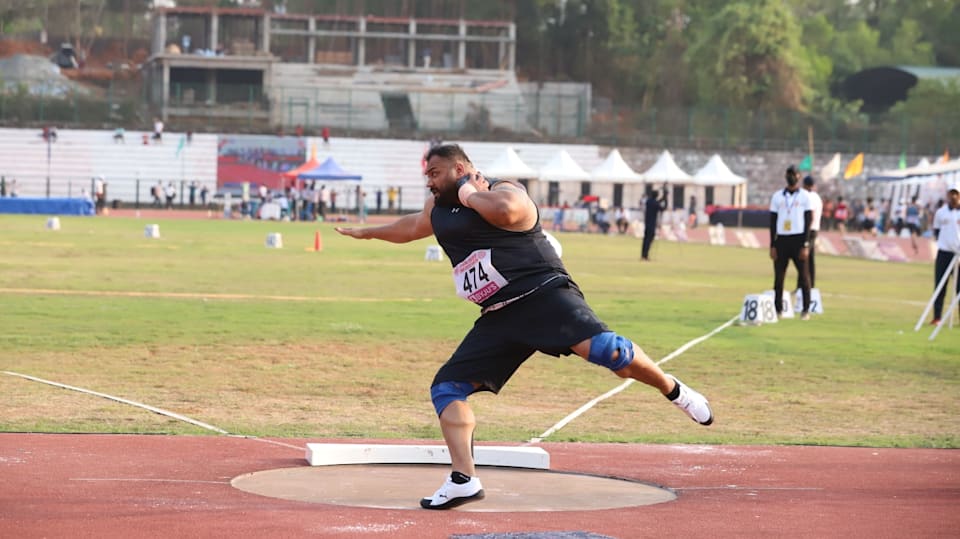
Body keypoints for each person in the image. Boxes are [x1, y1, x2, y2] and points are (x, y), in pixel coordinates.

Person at [334, 144, 713, 510]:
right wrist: (367, 232)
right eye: (427, 174)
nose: (429, 181)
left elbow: (508, 212)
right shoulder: (437, 204)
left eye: (435, 173)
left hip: (543, 294)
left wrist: (468, 194)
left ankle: (673, 389)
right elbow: (414, 225)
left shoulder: (503, 189)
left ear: (461, 169)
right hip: (498, 314)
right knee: (447, 388)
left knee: (607, 352)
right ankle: (464, 480)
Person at [770, 166, 812, 319]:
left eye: (794, 174)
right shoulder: (777, 197)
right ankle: (777, 309)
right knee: (779, 277)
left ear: (799, 176)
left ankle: (806, 309)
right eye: (789, 174)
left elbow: (808, 220)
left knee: (804, 275)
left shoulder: (805, 197)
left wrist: (806, 244)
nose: (791, 177)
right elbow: (773, 221)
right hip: (782, 239)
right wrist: (772, 245)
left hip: (798, 238)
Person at [929, 184, 960, 326]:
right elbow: (936, 231)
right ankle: (937, 317)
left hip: (959, 254)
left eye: (956, 193)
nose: (953, 196)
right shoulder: (941, 212)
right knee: (940, 286)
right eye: (951, 193)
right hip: (944, 253)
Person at [796, 176, 822, 290]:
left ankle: (803, 285)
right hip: (815, 228)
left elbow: (808, 215)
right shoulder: (817, 197)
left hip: (808, 229)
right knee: (810, 258)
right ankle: (810, 284)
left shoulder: (807, 197)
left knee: (803, 258)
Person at [641, 189, 667, 260]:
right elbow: (663, 208)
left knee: (646, 239)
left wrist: (663, 197)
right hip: (652, 224)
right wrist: (666, 199)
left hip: (647, 223)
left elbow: (657, 202)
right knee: (649, 240)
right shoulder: (655, 203)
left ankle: (643, 255)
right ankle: (645, 255)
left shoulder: (648, 201)